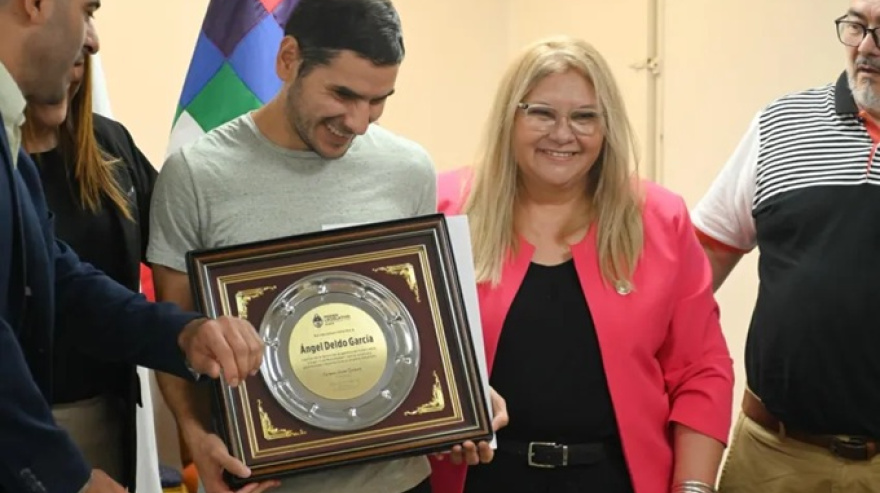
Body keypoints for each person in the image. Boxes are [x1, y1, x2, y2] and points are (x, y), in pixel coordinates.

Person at [146, 1, 507, 493]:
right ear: (288, 59)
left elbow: (421, 320)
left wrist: (465, 398)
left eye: (379, 100)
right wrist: (196, 435)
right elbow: (175, 334)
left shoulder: (408, 170)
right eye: (343, 94)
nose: (359, 122)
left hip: (399, 483)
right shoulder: (195, 175)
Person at [430, 36, 734, 493]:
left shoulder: (660, 219)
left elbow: (701, 369)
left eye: (584, 116)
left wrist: (694, 487)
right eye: (542, 113)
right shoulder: (443, 210)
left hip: (615, 478)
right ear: (509, 118)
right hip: (479, 478)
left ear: (606, 126)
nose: (563, 134)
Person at [0, 1, 266, 492]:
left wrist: (184, 334)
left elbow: (60, 277)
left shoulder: (13, 139)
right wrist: (70, 477)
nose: (94, 41)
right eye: (87, 9)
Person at [693, 1, 880, 491]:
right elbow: (700, 263)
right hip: (776, 456)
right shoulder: (781, 123)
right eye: (857, 26)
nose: (865, 47)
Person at [22, 38, 162, 492]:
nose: (73, 73)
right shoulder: (10, 167)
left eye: (79, 65)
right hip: (19, 426)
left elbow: (179, 254)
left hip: (105, 417)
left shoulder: (110, 145)